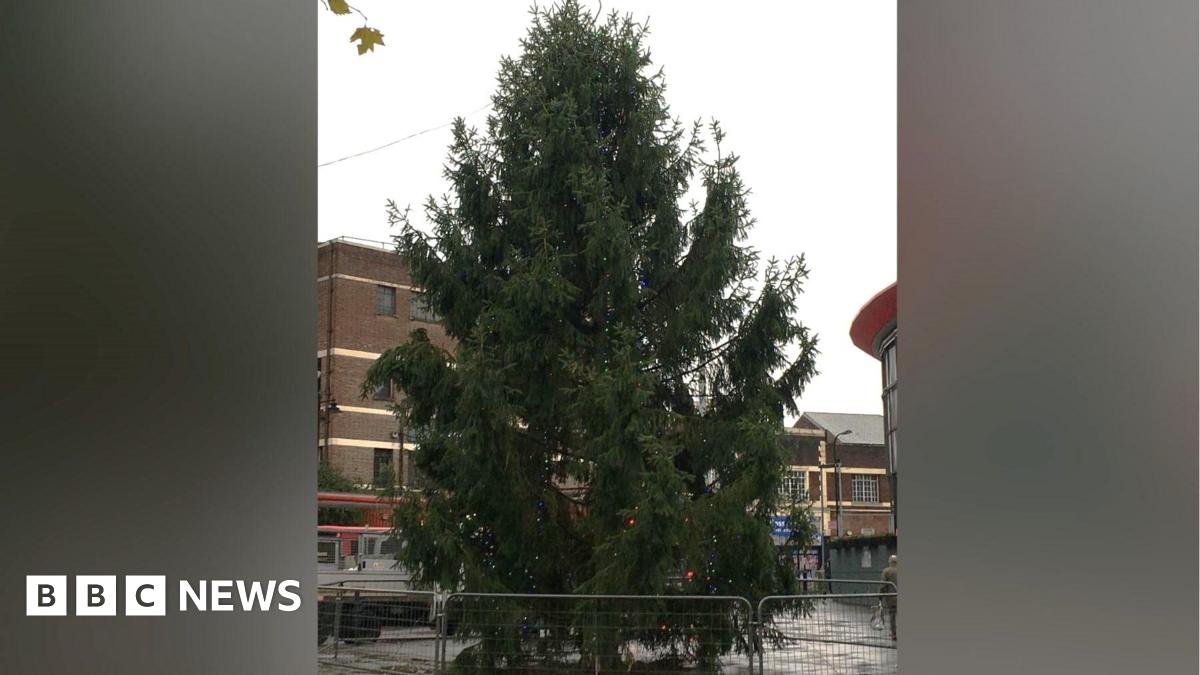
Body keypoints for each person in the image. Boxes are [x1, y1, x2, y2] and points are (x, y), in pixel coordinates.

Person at [880, 554, 898, 640]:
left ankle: (894, 634)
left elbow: (883, 585)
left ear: (889, 562)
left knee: (892, 616)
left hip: (892, 598)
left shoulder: (886, 571)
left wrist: (880, 596)